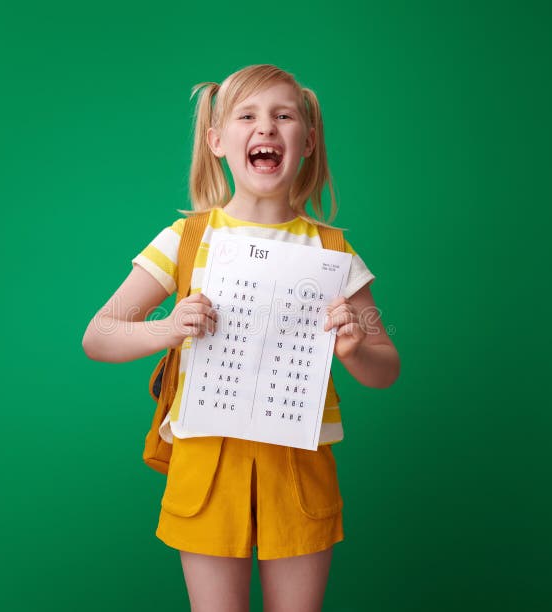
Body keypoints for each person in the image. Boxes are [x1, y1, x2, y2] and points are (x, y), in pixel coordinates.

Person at [83, 64, 400, 612]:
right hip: (206, 464)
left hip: (298, 468)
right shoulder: (185, 239)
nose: (266, 129)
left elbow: (386, 365)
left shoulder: (336, 252)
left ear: (307, 140)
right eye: (247, 116)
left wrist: (357, 346)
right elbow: (99, 335)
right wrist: (167, 328)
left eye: (283, 116)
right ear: (216, 141)